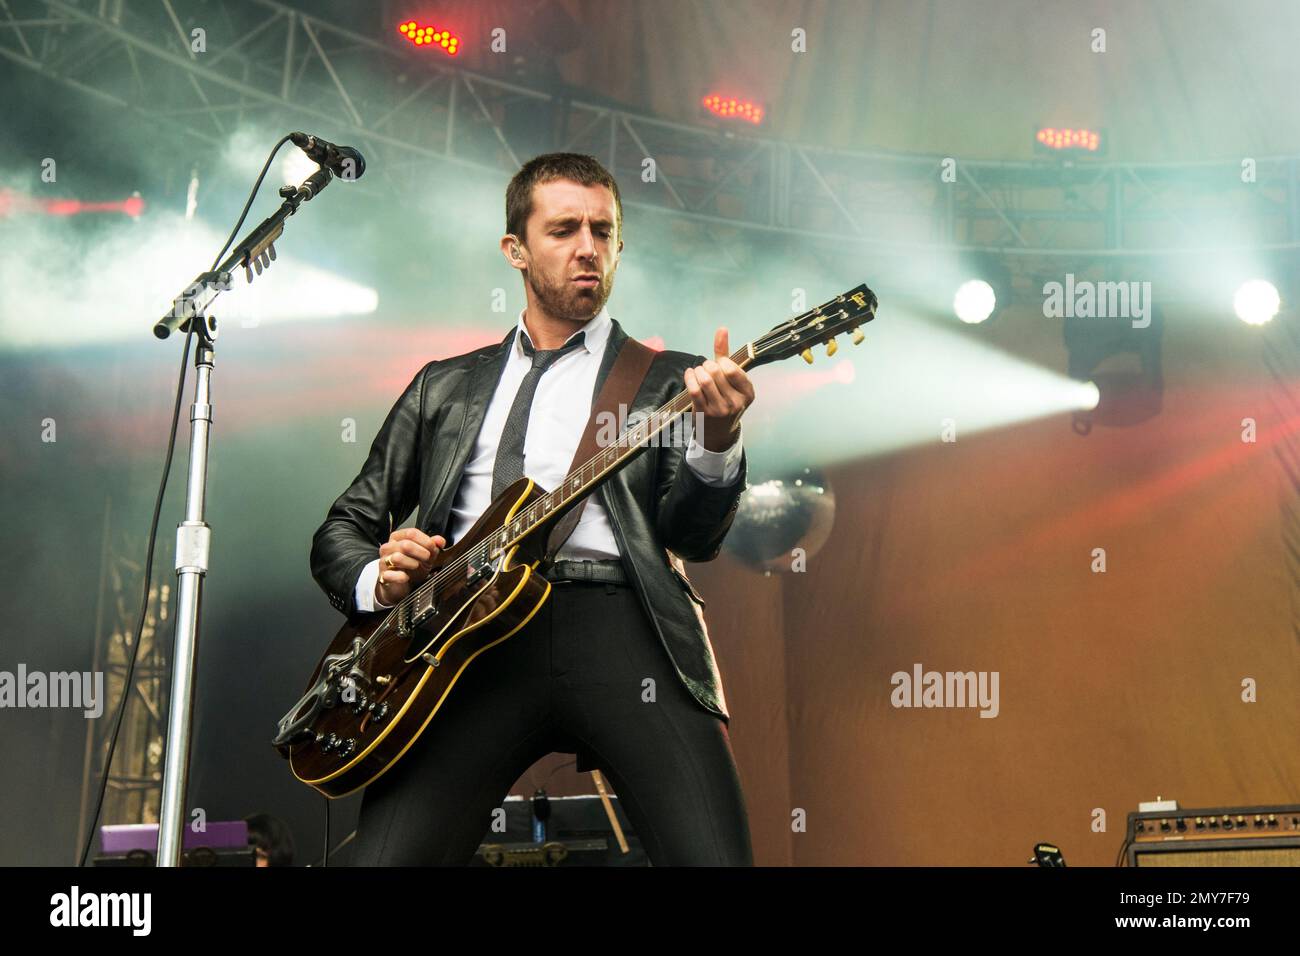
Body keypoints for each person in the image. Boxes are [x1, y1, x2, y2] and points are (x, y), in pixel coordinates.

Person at [309, 152, 755, 865]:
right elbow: (342, 530)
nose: (589, 248)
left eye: (604, 231)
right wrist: (381, 580)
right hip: (462, 643)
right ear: (514, 249)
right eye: (565, 229)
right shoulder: (444, 387)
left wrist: (719, 438)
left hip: (622, 625)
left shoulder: (671, 381)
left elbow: (694, 537)